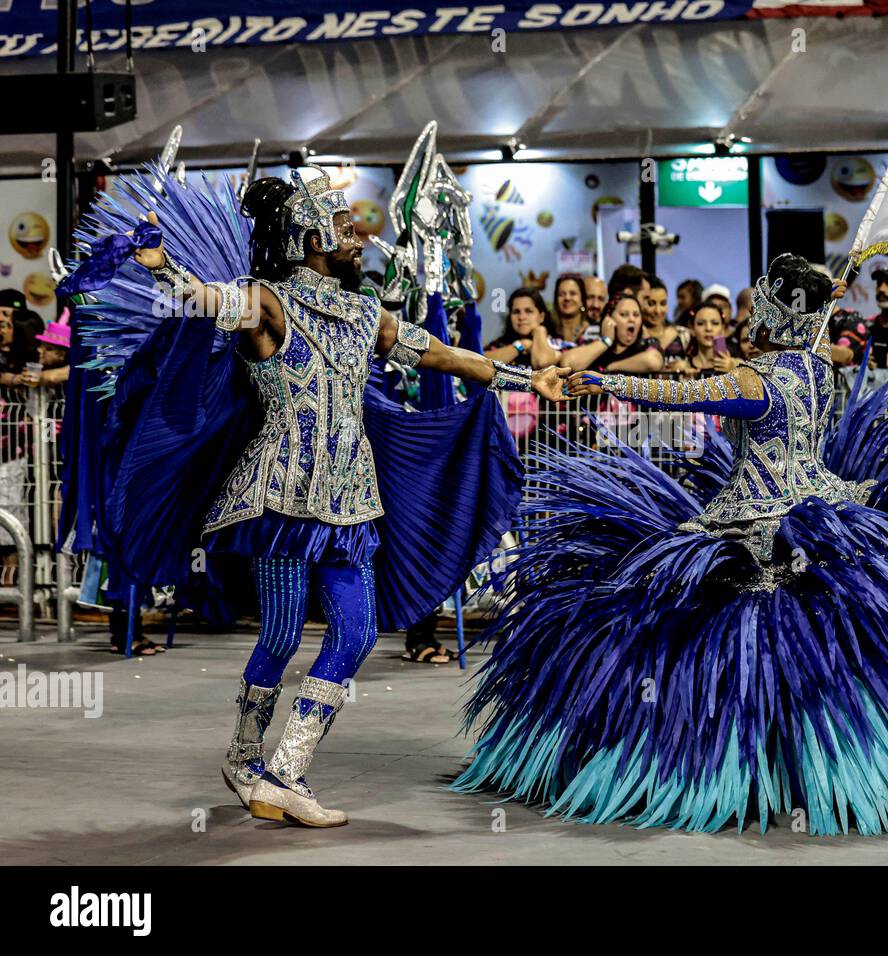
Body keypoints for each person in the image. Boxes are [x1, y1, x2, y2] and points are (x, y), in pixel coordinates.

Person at [451, 253, 888, 836]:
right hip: (828, 500)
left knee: (701, 627)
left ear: (775, 309)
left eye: (764, 298)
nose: (755, 308)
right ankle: (832, 765)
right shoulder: (821, 371)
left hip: (755, 516)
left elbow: (677, 396)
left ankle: (746, 768)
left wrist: (595, 380)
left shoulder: (754, 376)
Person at [62, 164, 569, 828]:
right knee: (278, 632)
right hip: (280, 498)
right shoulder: (270, 302)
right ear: (307, 236)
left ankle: (283, 770)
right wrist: (160, 265)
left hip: (351, 500)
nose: (357, 235)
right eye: (342, 225)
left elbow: (444, 355)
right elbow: (203, 299)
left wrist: (524, 375)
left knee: (354, 634)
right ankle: (248, 760)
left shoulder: (366, 314)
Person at [559, 294, 664, 375]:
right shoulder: (595, 345)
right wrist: (605, 341)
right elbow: (567, 363)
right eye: (624, 314)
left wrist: (611, 367)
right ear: (608, 319)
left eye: (636, 315)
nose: (632, 319)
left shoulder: (646, 344)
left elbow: (653, 361)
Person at [665, 301, 739, 377]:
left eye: (715, 323)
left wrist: (734, 369)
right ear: (692, 329)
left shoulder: (738, 365)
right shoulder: (680, 366)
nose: (708, 328)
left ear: (723, 329)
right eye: (701, 323)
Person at [639, 274, 690, 361]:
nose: (658, 311)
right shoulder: (632, 337)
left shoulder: (682, 334)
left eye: (663, 303)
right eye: (651, 303)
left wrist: (686, 367)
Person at [548, 273, 592, 346]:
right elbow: (522, 346)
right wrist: (521, 347)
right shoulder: (547, 329)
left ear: (582, 300)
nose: (567, 298)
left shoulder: (594, 330)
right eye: (562, 294)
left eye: (573, 293)